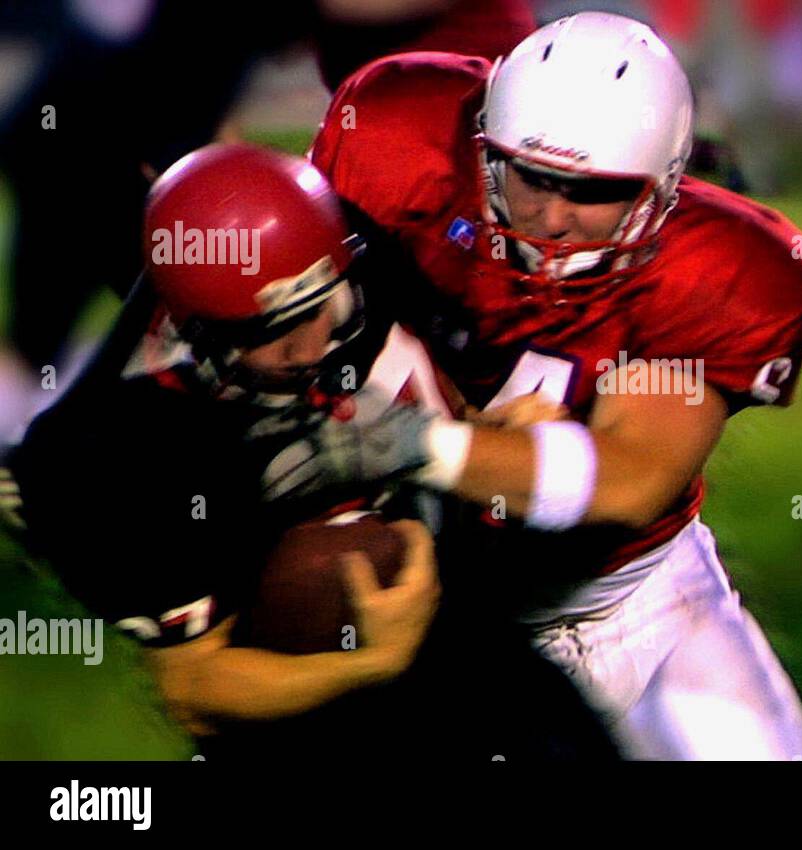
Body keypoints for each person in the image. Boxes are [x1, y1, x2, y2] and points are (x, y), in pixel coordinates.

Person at [272, 12, 802, 759]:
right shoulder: (396, 142)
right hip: (437, 610)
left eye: (592, 191)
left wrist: (417, 445)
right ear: (485, 148)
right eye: (532, 176)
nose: (554, 215)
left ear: (664, 189)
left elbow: (632, 478)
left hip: (632, 608)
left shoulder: (718, 271)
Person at [11, 143, 617, 760]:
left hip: (440, 598)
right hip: (285, 669)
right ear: (196, 331)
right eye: (267, 333)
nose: (306, 351)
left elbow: (452, 401)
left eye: (316, 309)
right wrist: (377, 658)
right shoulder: (120, 452)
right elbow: (194, 686)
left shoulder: (344, 247)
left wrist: (487, 433)